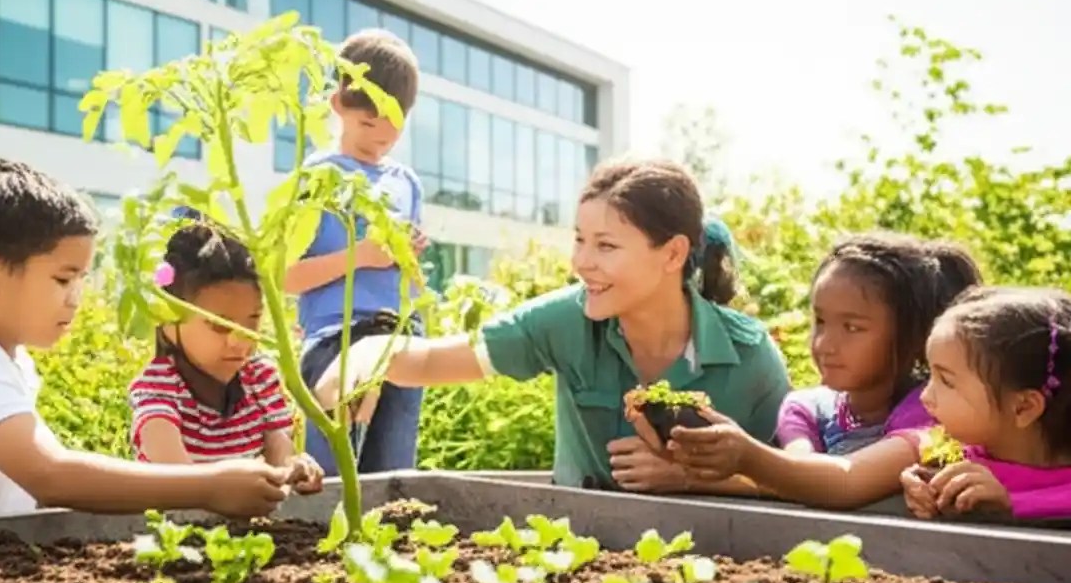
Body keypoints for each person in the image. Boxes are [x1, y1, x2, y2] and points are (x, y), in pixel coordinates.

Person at [313, 156, 792, 492]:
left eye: (606, 246)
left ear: (672, 253)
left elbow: (798, 481)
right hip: (578, 560)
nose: (581, 262)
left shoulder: (750, 358)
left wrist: (692, 481)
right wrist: (364, 357)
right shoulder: (569, 318)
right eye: (579, 240)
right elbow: (434, 360)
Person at [0, 158, 298, 529]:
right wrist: (209, 486)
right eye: (62, 279)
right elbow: (52, 475)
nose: (76, 297)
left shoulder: (0, 357)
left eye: (81, 279)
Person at [663, 234, 983, 507]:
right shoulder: (809, 409)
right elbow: (799, 471)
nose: (826, 344)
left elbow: (845, 482)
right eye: (820, 321)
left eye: (853, 327)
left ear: (916, 338)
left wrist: (746, 456)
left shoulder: (933, 415)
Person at [286, 28, 428, 477]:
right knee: (331, 479)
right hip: (335, 339)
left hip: (402, 340)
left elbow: (405, 277)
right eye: (368, 123)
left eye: (394, 124)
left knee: (393, 480)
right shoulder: (316, 177)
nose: (381, 137)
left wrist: (408, 256)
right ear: (337, 106)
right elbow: (284, 277)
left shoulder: (406, 182)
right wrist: (363, 255)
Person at [129, 218, 323, 493]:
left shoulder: (259, 377)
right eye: (220, 325)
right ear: (167, 321)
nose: (239, 340)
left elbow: (280, 455)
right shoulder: (159, 391)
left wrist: (295, 471)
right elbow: (179, 480)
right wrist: (225, 492)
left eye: (252, 320)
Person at [902, 287, 1071, 521]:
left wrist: (1010, 510)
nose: (925, 397)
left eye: (947, 381)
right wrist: (922, 486)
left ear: (1024, 407)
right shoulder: (951, 455)